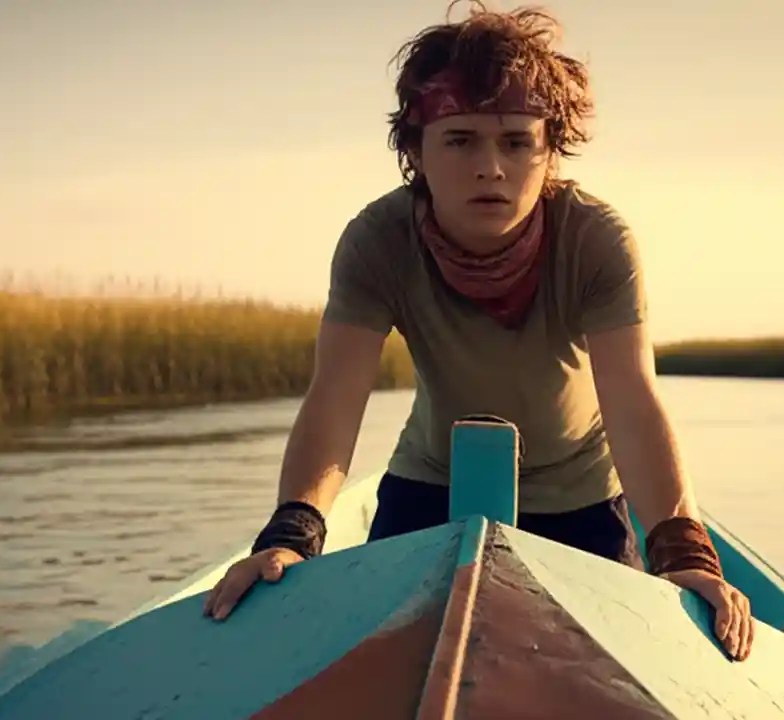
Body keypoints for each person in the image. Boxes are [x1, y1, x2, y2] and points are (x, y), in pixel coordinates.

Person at [202, 1, 753, 661]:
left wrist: (681, 549)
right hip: (428, 484)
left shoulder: (596, 240)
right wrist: (292, 532)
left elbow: (632, 400)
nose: (490, 167)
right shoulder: (377, 241)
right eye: (460, 139)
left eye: (517, 142)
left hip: (580, 494)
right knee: (374, 660)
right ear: (416, 151)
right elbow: (335, 397)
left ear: (550, 154)